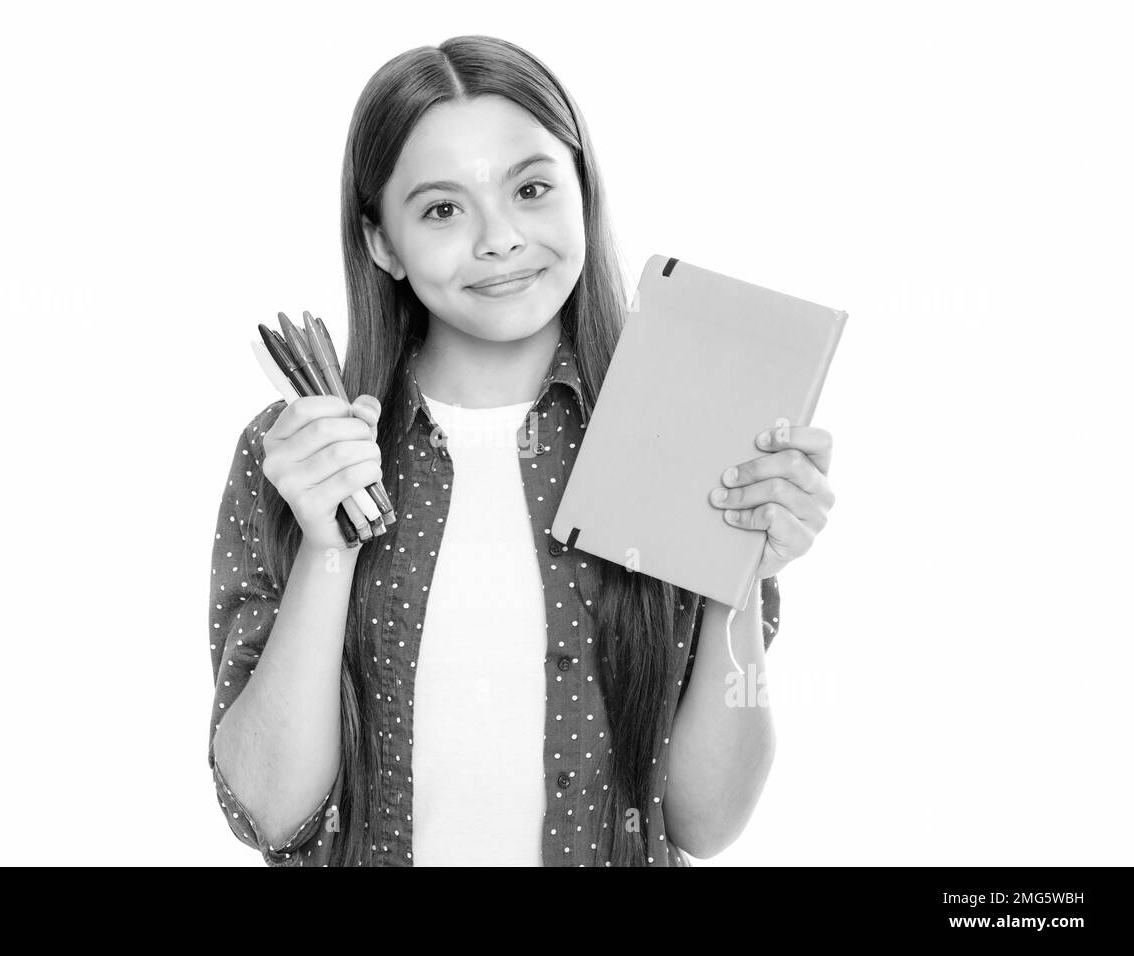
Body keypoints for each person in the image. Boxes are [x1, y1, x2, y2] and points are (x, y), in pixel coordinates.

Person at [207, 34, 836, 866]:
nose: (499, 239)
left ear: (583, 194)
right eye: (441, 209)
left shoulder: (687, 432)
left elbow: (706, 823)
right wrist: (328, 546)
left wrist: (737, 577)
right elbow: (268, 808)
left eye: (532, 189)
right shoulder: (294, 452)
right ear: (381, 242)